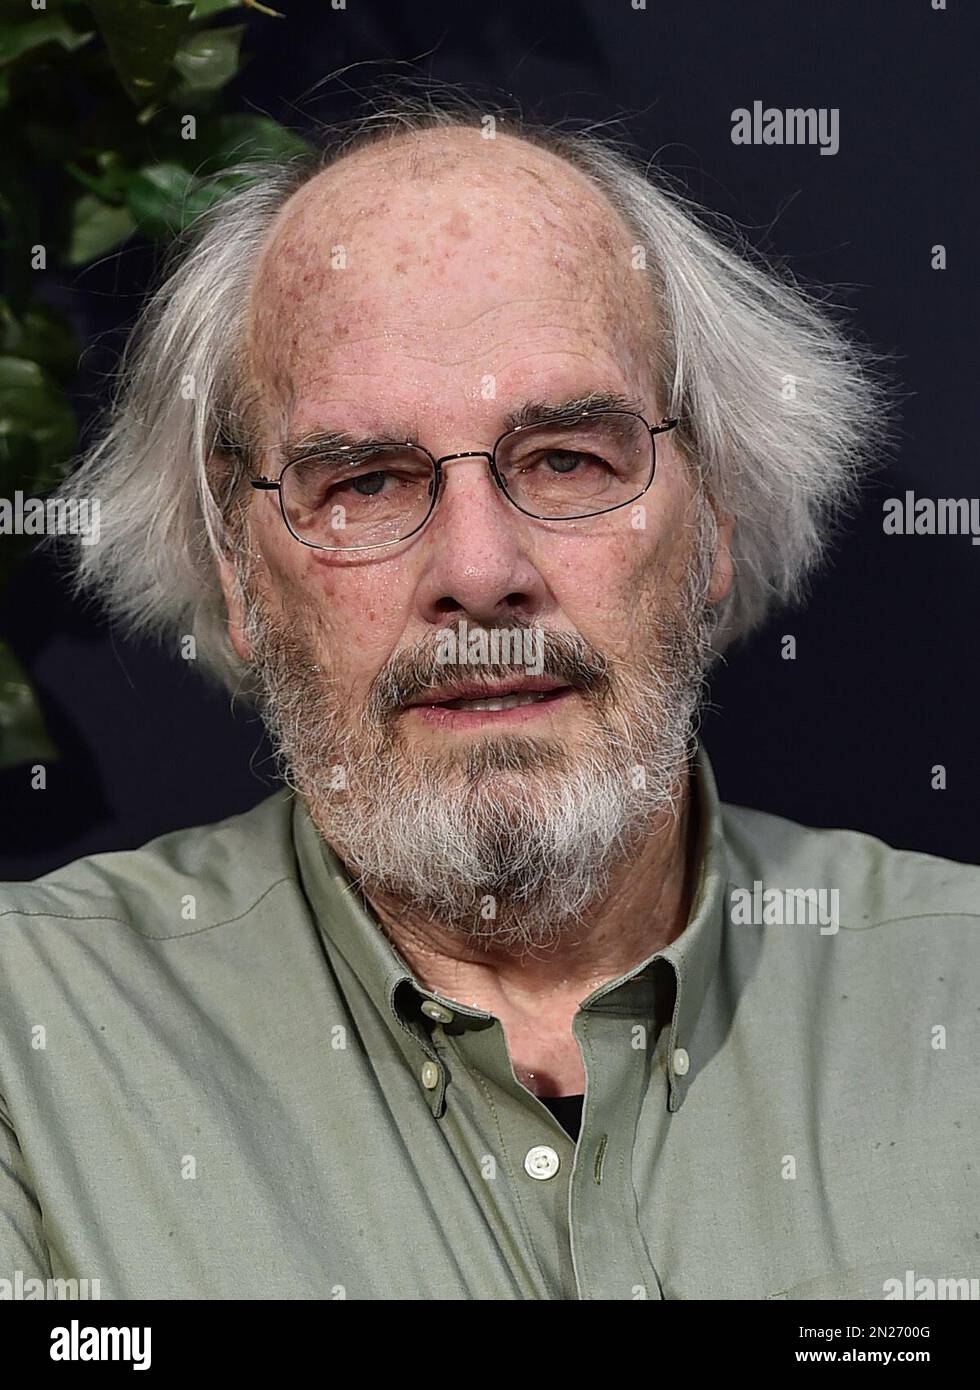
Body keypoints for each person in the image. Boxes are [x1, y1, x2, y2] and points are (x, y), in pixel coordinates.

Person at [1, 90, 977, 1301]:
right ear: (241, 573)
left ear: (713, 518)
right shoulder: (25, 1039)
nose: (478, 572)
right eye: (360, 479)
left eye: (567, 458)